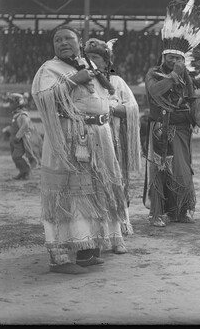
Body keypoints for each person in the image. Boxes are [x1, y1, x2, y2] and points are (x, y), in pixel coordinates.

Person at [31, 25, 127, 274]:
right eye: (57, 39)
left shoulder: (88, 64)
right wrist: (75, 80)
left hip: (98, 138)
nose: (63, 42)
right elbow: (43, 98)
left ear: (79, 42)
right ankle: (60, 258)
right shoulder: (49, 69)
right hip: (68, 139)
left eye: (68, 38)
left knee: (95, 193)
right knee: (70, 195)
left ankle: (88, 251)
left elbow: (106, 92)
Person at [143, 0, 200, 227]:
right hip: (160, 129)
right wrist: (172, 76)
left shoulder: (188, 78)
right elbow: (154, 93)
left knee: (182, 172)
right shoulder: (153, 73)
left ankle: (181, 211)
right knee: (159, 170)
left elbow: (192, 103)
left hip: (181, 129)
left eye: (178, 58)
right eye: (171, 57)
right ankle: (157, 213)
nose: (174, 61)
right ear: (164, 58)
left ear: (184, 59)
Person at [84, 38, 142, 247]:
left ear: (106, 61)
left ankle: (120, 225)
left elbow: (133, 109)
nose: (91, 61)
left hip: (113, 140)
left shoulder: (117, 82)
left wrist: (112, 109)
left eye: (95, 57)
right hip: (88, 141)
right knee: (92, 184)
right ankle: (96, 231)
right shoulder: (82, 81)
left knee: (115, 181)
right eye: (88, 57)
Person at [2, 92, 42, 180]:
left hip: (19, 141)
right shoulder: (16, 115)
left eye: (11, 103)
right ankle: (22, 172)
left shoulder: (22, 115)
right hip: (14, 142)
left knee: (16, 156)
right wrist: (7, 130)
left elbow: (25, 125)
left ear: (18, 104)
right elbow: (15, 127)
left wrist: (18, 136)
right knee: (15, 156)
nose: (9, 105)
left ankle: (26, 170)